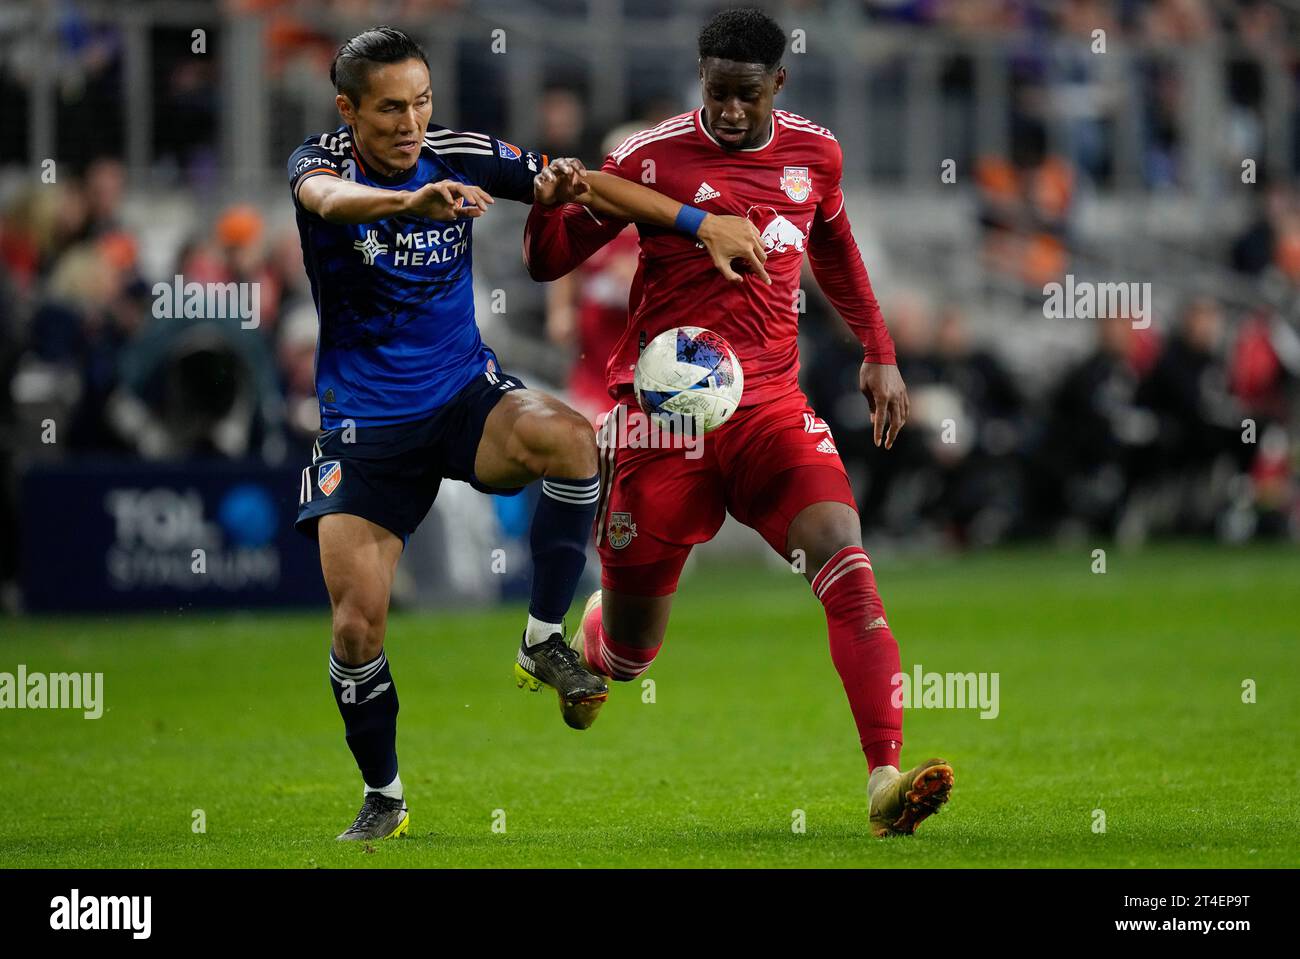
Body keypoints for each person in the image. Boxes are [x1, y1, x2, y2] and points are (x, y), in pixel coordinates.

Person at [288, 26, 766, 841]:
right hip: (364, 426)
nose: (411, 123)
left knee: (574, 442)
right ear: (348, 110)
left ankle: (544, 638)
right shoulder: (319, 161)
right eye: (391, 109)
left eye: (422, 102)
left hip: (463, 396)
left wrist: (698, 223)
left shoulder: (461, 151)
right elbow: (329, 203)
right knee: (355, 627)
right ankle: (386, 796)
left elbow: (584, 188)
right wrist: (410, 202)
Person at [523, 8, 953, 838]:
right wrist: (551, 201)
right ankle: (599, 639)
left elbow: (835, 246)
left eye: (744, 95)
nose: (726, 110)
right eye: (715, 92)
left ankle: (885, 776)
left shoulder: (815, 154)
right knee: (632, 657)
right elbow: (549, 260)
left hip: (769, 410)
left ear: (777, 86)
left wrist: (879, 347)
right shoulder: (650, 159)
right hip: (662, 430)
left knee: (845, 556)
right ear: (700, 79)